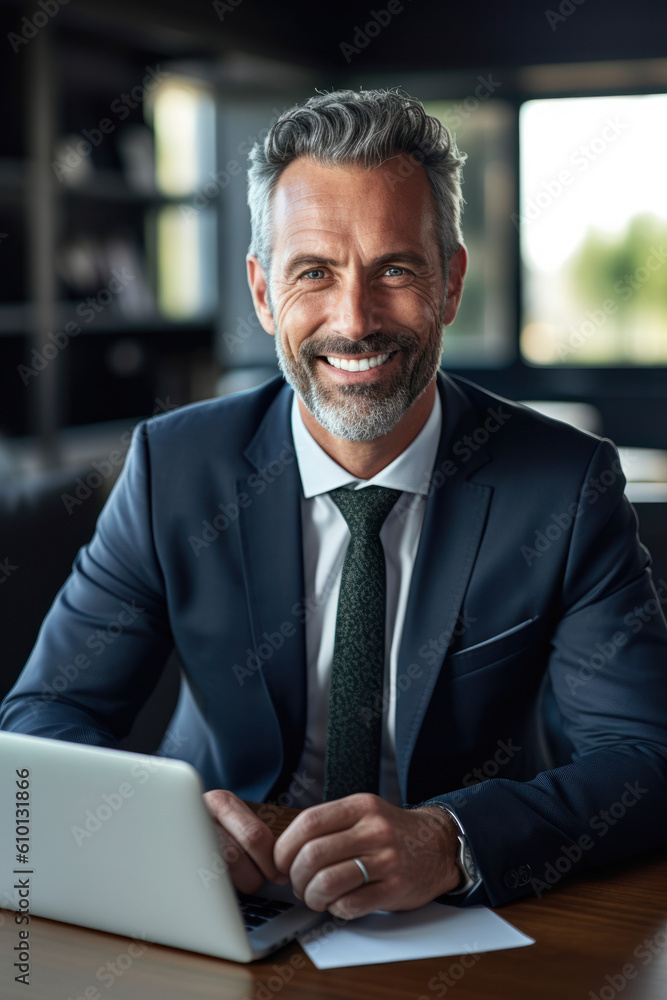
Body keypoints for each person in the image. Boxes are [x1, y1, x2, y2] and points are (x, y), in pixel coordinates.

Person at [2, 89, 667, 920]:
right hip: (215, 897)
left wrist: (451, 841)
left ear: (451, 283)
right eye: (313, 272)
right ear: (261, 292)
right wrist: (150, 824)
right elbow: (44, 717)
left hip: (462, 910)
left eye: (395, 270)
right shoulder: (172, 468)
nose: (353, 321)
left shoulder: (564, 484)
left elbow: (645, 756)